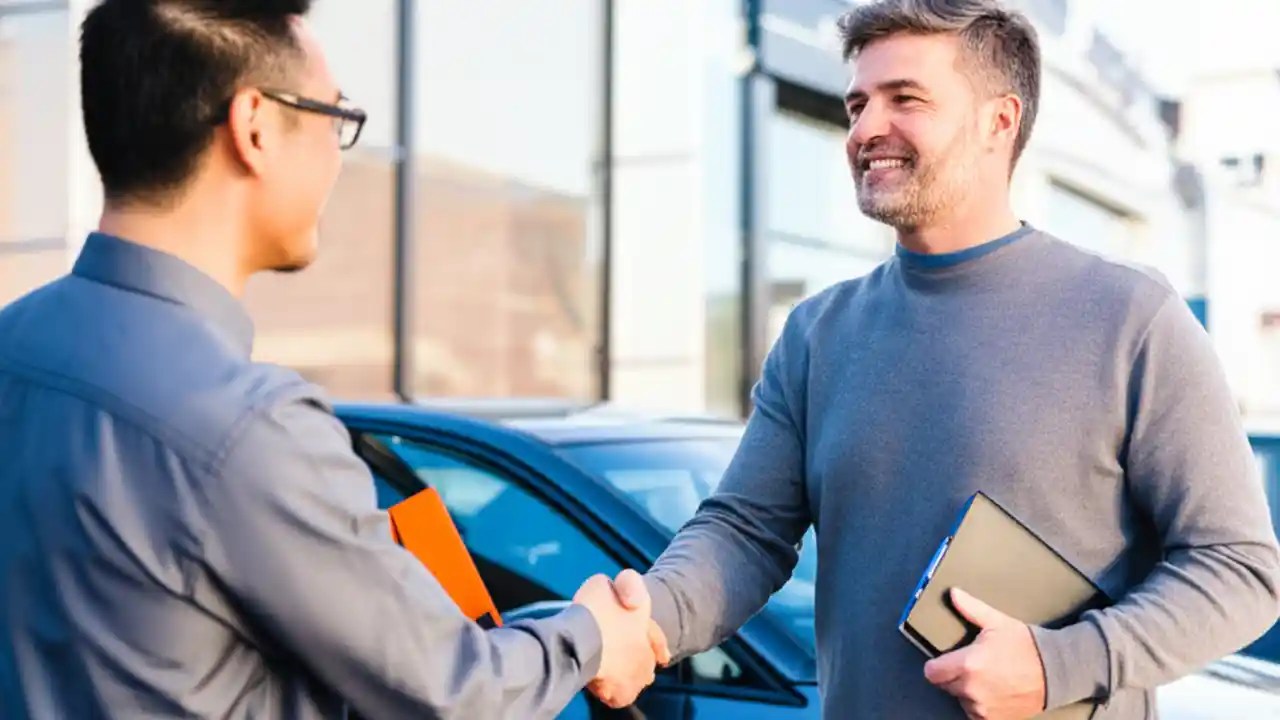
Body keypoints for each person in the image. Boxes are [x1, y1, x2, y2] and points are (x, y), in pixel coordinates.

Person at [0, 0, 664, 717]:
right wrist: (590, 635)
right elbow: (456, 693)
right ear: (253, 126)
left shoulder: (14, 349)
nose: (336, 157)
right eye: (334, 118)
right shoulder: (249, 426)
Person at [625, 1, 1280, 718]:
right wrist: (641, 619)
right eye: (857, 103)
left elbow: (1240, 569)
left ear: (1000, 120)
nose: (866, 129)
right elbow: (742, 534)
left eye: (905, 99)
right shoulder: (818, 333)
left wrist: (1059, 663)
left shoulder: (1131, 317)